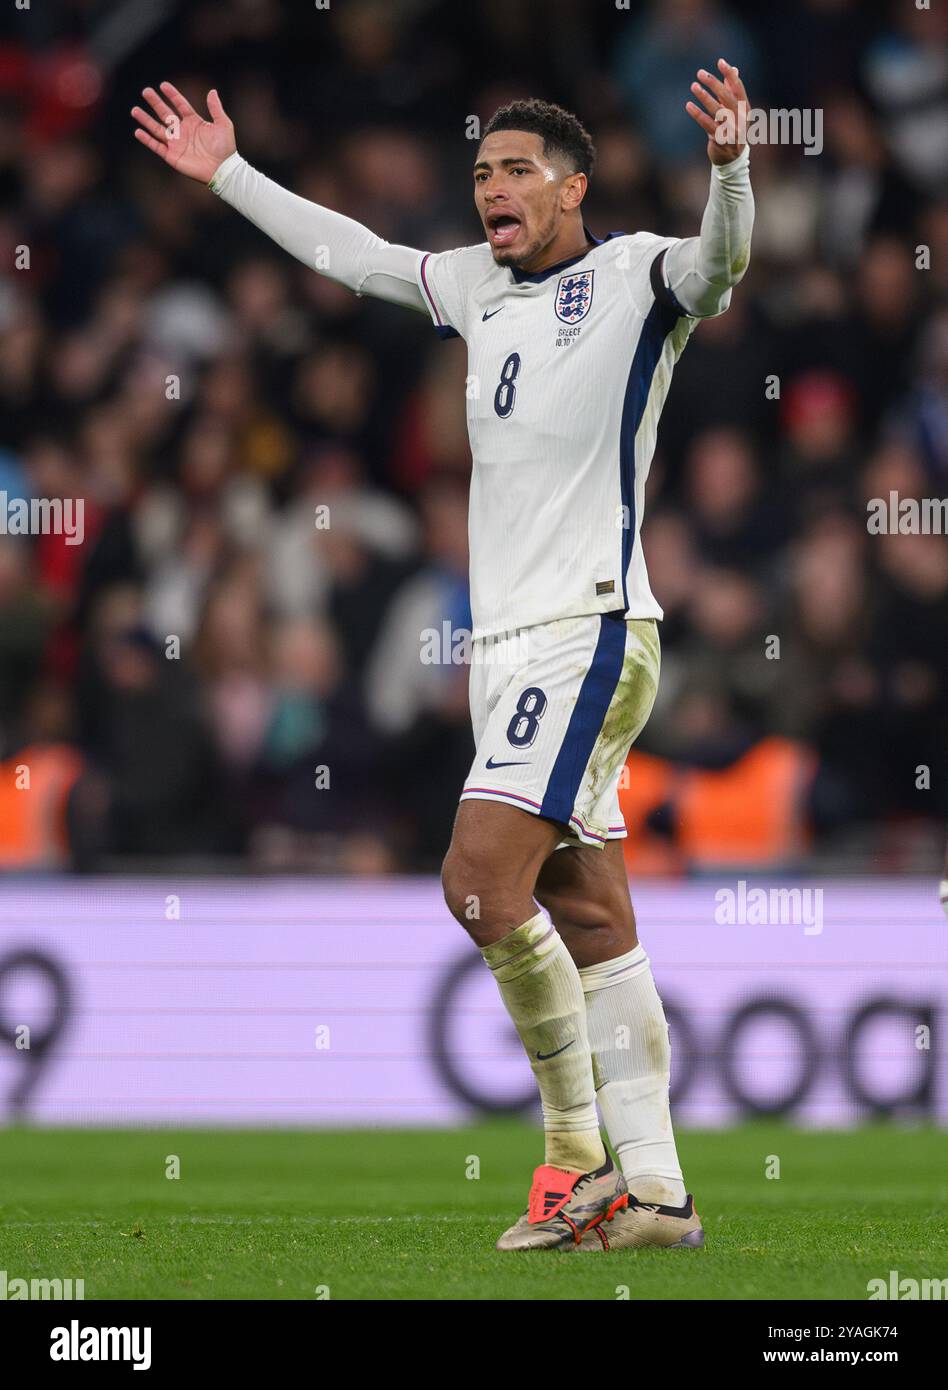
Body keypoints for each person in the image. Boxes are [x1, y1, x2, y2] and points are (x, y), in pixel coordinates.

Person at [132, 62, 754, 1252]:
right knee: (587, 908)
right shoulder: (476, 286)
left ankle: (574, 1152)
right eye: (480, 172)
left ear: (574, 188)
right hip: (507, 648)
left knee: (476, 880)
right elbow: (352, 254)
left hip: (591, 625)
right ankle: (661, 1193)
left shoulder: (635, 277)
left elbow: (721, 266)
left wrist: (732, 169)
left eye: (517, 169)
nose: (491, 188)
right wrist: (231, 175)